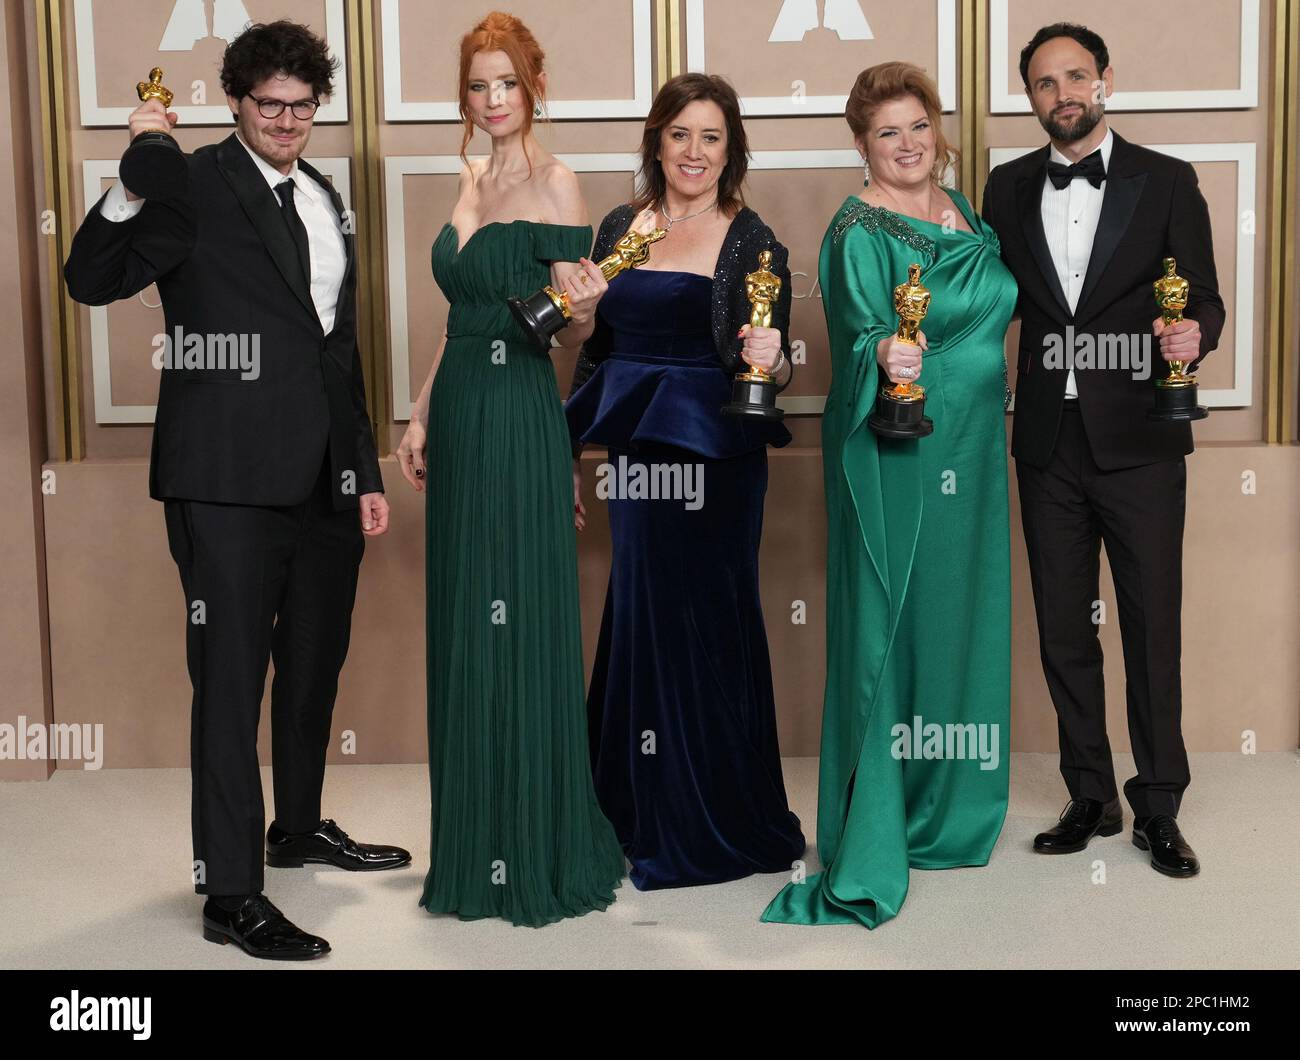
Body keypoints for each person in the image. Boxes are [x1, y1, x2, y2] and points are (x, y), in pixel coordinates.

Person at [63, 20, 409, 961]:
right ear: (235, 101)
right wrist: (133, 178)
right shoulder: (190, 182)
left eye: (304, 107)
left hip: (324, 480)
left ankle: (296, 826)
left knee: (312, 662)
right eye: (271, 105)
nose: (289, 122)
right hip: (222, 480)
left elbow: (335, 347)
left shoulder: (324, 193)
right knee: (228, 685)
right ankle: (231, 894)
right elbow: (89, 279)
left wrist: (362, 471)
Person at [763, 62, 1015, 928]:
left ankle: (948, 808)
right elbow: (860, 333)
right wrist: (882, 356)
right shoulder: (856, 229)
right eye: (886, 133)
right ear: (861, 144)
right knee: (891, 620)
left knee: (958, 617)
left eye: (917, 127)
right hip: (899, 451)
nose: (907, 146)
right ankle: (881, 818)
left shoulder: (963, 210)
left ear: (936, 129)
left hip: (976, 454)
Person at [393, 11, 625, 926]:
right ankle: (473, 842)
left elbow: (572, 328)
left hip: (523, 415)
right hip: (460, 413)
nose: (493, 101)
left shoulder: (560, 182)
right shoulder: (469, 174)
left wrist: (586, 303)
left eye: (507, 84)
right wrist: (417, 417)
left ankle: (535, 841)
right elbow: (463, 319)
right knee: (465, 619)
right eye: (477, 86)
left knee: (518, 614)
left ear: (534, 87)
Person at [982, 23, 1223, 877]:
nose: (1062, 95)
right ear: (1032, 97)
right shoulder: (1006, 186)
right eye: (1045, 83)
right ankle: (1090, 790)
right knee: (1062, 626)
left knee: (1152, 626)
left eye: (1075, 77)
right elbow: (978, 300)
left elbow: (1202, 298)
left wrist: (1197, 333)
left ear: (1106, 80)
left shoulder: (1167, 179)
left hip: (1143, 440)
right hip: (1046, 440)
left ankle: (1158, 804)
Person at [566, 73, 805, 890]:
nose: (694, 152)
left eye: (711, 136)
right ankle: (635, 806)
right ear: (657, 142)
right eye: (680, 135)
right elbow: (592, 346)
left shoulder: (753, 239)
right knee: (640, 616)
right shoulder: (616, 225)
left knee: (706, 620)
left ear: (730, 148)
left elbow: (779, 353)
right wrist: (585, 314)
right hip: (636, 447)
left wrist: (775, 357)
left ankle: (713, 814)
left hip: (716, 454)